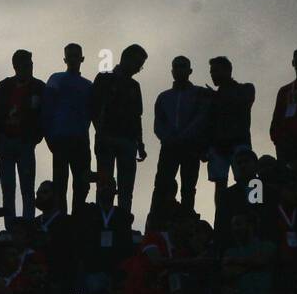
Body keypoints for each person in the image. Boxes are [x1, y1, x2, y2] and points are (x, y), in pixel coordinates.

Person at [0, 49, 46, 224]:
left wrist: (34, 138)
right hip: (5, 142)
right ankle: (11, 224)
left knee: (27, 188)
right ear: (15, 67)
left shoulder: (39, 87)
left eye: (30, 64)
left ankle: (28, 223)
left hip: (25, 143)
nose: (28, 67)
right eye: (24, 64)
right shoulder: (5, 85)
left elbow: (44, 115)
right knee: (8, 188)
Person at [91, 45, 148, 215]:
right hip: (108, 138)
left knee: (125, 187)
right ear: (126, 59)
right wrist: (100, 132)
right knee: (104, 185)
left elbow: (137, 116)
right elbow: (94, 108)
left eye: (141, 64)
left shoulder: (134, 86)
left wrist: (140, 143)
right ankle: (102, 221)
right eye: (138, 63)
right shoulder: (104, 79)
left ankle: (122, 221)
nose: (139, 68)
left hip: (127, 141)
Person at [152, 56, 208, 219]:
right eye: (176, 67)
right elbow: (158, 124)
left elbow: (202, 118)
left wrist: (185, 135)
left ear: (190, 71)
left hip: (190, 147)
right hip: (169, 147)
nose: (179, 70)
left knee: (188, 187)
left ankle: (187, 220)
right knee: (162, 184)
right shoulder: (163, 97)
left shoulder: (199, 93)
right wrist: (168, 137)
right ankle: (156, 220)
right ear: (172, 71)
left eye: (182, 66)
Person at [41, 43, 94, 214]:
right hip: (61, 139)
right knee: (60, 183)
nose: (72, 59)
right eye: (69, 56)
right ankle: (61, 219)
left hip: (80, 139)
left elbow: (92, 113)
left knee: (81, 183)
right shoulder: (56, 79)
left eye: (75, 55)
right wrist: (49, 137)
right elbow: (46, 108)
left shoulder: (88, 85)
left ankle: (78, 218)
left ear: (82, 58)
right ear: (65, 59)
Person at [204, 56, 256, 213]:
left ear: (228, 71)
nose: (212, 74)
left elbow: (242, 100)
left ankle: (255, 214)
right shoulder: (214, 97)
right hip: (219, 146)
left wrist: (216, 97)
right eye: (212, 71)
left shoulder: (246, 89)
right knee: (220, 185)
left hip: (239, 143)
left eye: (216, 71)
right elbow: (208, 123)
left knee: (250, 180)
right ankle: (221, 219)